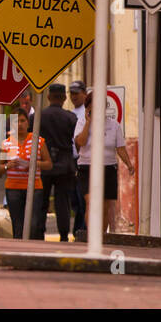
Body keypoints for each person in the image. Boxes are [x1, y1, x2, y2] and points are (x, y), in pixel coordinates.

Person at [75, 94, 134, 234]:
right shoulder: (81, 123)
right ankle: (92, 235)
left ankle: (101, 236)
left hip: (108, 168)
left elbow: (120, 148)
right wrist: (89, 123)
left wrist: (129, 164)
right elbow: (80, 142)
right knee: (91, 202)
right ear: (88, 107)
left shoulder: (114, 125)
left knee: (105, 206)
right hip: (87, 167)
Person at [1, 108, 52, 240]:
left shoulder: (38, 141)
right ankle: (18, 253)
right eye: (16, 121)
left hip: (34, 188)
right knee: (17, 225)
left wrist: (33, 164)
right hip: (13, 189)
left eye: (23, 120)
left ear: (28, 123)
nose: (20, 124)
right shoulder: (6, 143)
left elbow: (48, 164)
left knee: (33, 224)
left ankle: (31, 250)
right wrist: (8, 165)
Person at [37, 83, 78, 242]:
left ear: (48, 97)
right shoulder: (70, 118)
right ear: (64, 98)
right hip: (64, 165)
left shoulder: (38, 117)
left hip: (44, 164)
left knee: (42, 201)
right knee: (63, 203)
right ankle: (63, 235)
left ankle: (39, 232)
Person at [68, 79, 88, 240]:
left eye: (76, 93)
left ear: (84, 94)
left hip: (83, 161)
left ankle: (81, 231)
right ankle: (78, 230)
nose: (74, 97)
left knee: (83, 200)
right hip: (72, 161)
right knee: (75, 200)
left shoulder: (85, 114)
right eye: (71, 94)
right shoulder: (70, 114)